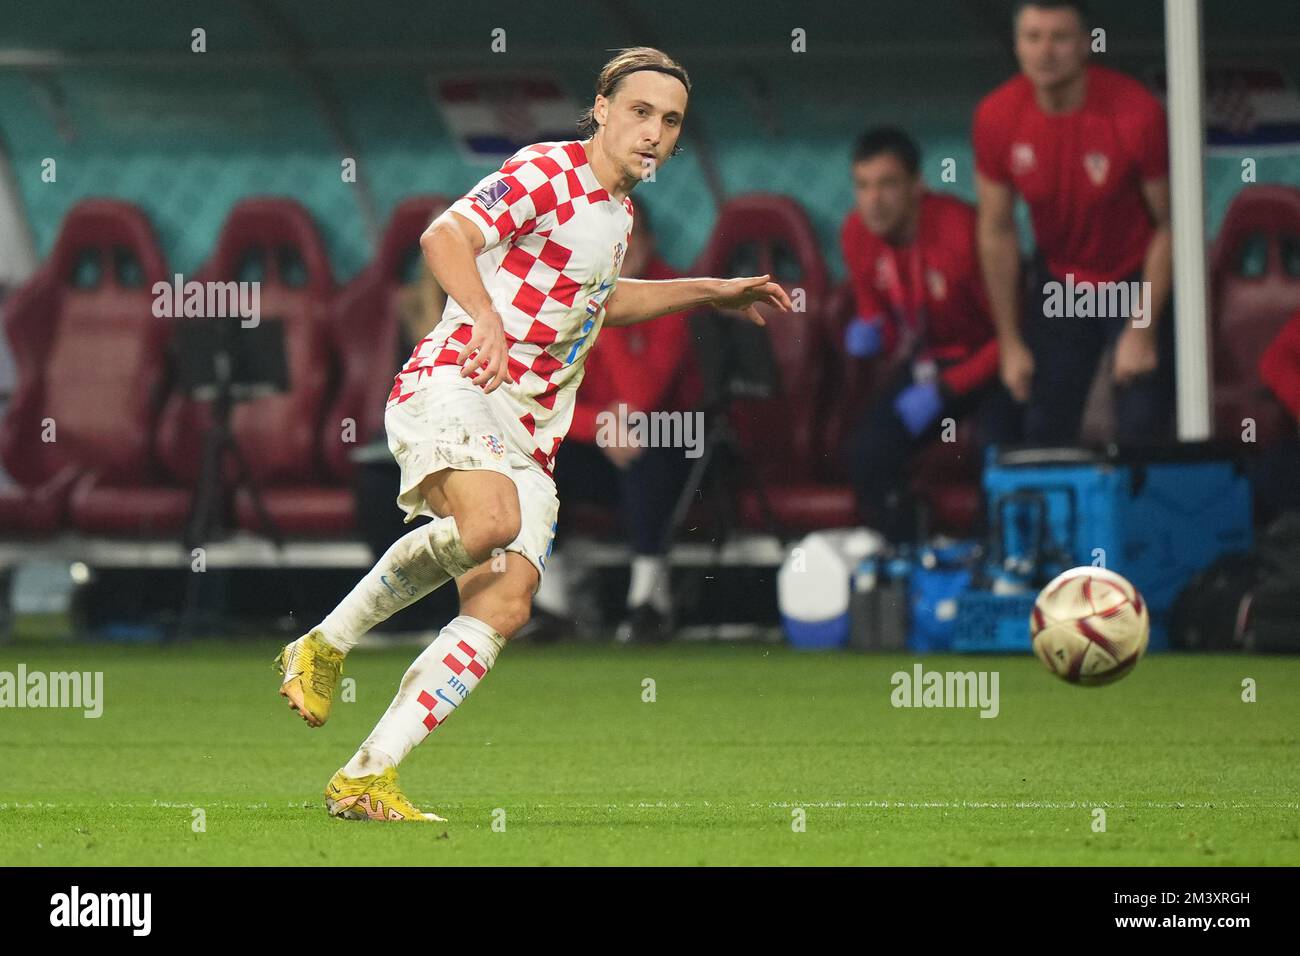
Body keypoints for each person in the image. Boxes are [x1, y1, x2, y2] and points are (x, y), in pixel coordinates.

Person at [273, 46, 792, 822]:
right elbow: (444, 236)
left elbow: (598, 302)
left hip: (530, 434)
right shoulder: (549, 170)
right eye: (641, 112)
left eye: (671, 121)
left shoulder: (616, 215)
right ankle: (324, 642)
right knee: (490, 524)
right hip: (458, 382)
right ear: (604, 109)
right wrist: (484, 315)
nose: (654, 132)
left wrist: (707, 292)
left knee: (507, 604)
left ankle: (366, 776)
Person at [973, 0, 1174, 444]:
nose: (1045, 51)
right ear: (1018, 45)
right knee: (1042, 425)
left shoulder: (1135, 113)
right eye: (1033, 38)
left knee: (1141, 423)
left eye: (1060, 38)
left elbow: (1171, 226)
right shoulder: (996, 116)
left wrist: (1142, 329)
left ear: (1085, 45)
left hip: (1132, 278)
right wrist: (1009, 342)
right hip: (1062, 280)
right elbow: (997, 231)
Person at [526, 200, 699, 644]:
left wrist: (606, 312)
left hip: (680, 444)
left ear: (647, 243)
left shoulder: (671, 295)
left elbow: (641, 400)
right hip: (605, 442)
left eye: (629, 238)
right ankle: (552, 605)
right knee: (539, 455)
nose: (618, 248)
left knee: (649, 443)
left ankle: (648, 602)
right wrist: (599, 424)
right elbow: (544, 399)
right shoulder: (567, 298)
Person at [840, 127, 1008, 543]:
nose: (873, 201)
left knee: (996, 447)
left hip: (990, 363)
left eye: (887, 185)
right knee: (868, 449)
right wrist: (871, 332)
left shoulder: (962, 233)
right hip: (927, 366)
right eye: (863, 186)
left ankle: (990, 565)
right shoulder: (856, 234)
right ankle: (905, 556)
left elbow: (1012, 337)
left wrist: (949, 388)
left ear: (917, 186)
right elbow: (877, 313)